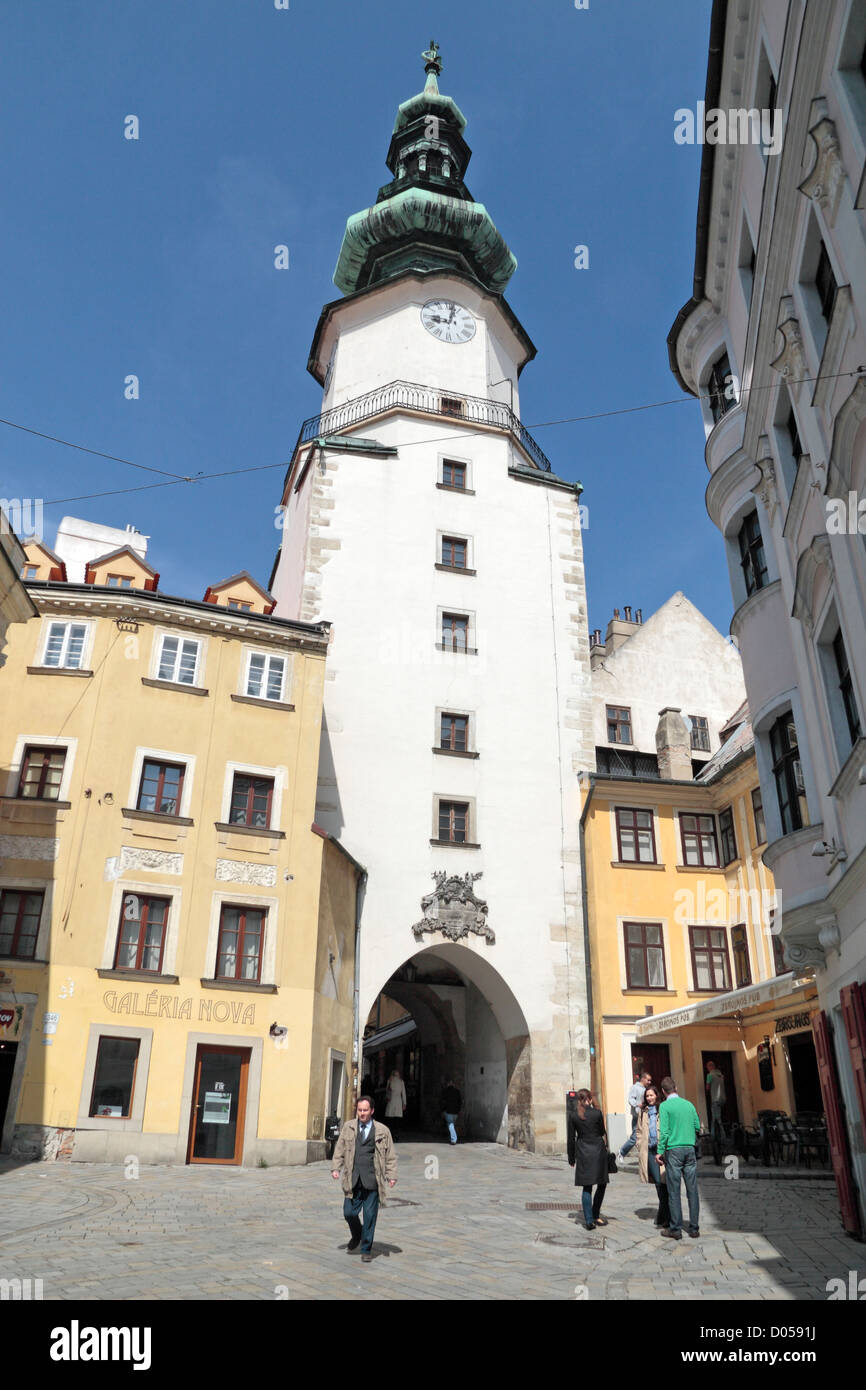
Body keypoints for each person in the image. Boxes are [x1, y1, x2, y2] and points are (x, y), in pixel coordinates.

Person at [331, 1095, 397, 1263]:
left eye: (365, 1110)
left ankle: (366, 1248)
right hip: (352, 1179)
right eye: (359, 1110)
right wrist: (335, 1168)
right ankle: (357, 1234)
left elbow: (390, 1156)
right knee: (348, 1212)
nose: (362, 1113)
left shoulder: (382, 1130)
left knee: (369, 1216)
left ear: (372, 1111)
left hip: (372, 1179)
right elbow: (339, 1149)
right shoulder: (348, 1127)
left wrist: (391, 1176)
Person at [657, 1076, 701, 1241]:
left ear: (663, 1091)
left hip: (673, 1150)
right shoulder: (688, 1104)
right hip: (689, 1149)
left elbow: (665, 1132)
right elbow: (697, 1125)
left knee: (674, 1191)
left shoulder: (665, 1106)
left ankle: (675, 1229)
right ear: (676, 1088)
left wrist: (659, 1151)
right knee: (692, 1190)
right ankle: (694, 1228)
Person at [567, 1087, 609, 1230]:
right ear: (589, 1099)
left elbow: (571, 1139)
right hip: (598, 1151)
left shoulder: (573, 1115)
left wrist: (571, 1158)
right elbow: (602, 1132)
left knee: (587, 1187)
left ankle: (589, 1220)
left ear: (579, 1100)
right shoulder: (597, 1113)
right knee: (602, 1183)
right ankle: (595, 1213)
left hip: (583, 1152)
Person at [636, 1083, 670, 1230]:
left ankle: (664, 1216)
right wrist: (639, 1143)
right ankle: (664, 1215)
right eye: (647, 1096)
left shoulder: (662, 1108)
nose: (649, 1098)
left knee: (664, 1183)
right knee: (658, 1182)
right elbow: (638, 1130)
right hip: (649, 1151)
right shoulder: (643, 1111)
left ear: (657, 1095)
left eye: (651, 1095)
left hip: (661, 1150)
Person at [619, 1071, 651, 1160]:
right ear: (643, 1079)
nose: (649, 1082)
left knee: (645, 1136)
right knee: (634, 1137)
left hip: (644, 1115)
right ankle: (622, 1151)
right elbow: (630, 1099)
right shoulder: (635, 1087)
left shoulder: (645, 1089)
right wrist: (637, 1104)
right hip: (637, 1116)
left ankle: (645, 1156)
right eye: (648, 1080)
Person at [385, 1069, 406, 1141]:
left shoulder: (390, 1080)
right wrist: (404, 1103)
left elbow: (387, 1091)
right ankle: (396, 1135)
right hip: (398, 1101)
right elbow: (403, 1093)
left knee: (390, 1120)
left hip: (391, 1101)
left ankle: (390, 1134)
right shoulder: (401, 1081)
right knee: (397, 1120)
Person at [705, 1060, 726, 1129]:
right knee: (720, 1117)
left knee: (715, 1119)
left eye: (707, 1067)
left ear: (710, 1067)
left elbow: (707, 1088)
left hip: (715, 1099)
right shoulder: (720, 1075)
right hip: (723, 1098)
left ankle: (719, 1136)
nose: (707, 1069)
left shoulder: (710, 1075)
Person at [440, 1078, 462, 1144]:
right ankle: (451, 1137)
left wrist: (443, 1110)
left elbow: (442, 1102)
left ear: (448, 1084)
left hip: (448, 1111)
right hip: (455, 1112)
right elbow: (460, 1102)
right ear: (453, 1084)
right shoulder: (457, 1091)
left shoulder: (445, 1091)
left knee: (450, 1124)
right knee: (452, 1125)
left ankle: (453, 1139)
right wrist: (458, 1110)